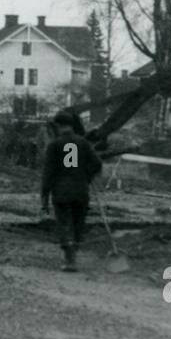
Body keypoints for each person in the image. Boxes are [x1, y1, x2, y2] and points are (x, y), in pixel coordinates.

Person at [40, 109, 103, 272]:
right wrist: (86, 176)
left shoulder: (54, 145)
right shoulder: (83, 143)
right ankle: (73, 256)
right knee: (77, 223)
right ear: (72, 126)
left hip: (61, 191)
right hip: (81, 190)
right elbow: (97, 164)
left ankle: (69, 260)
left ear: (58, 126)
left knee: (64, 223)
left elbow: (48, 173)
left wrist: (44, 197)